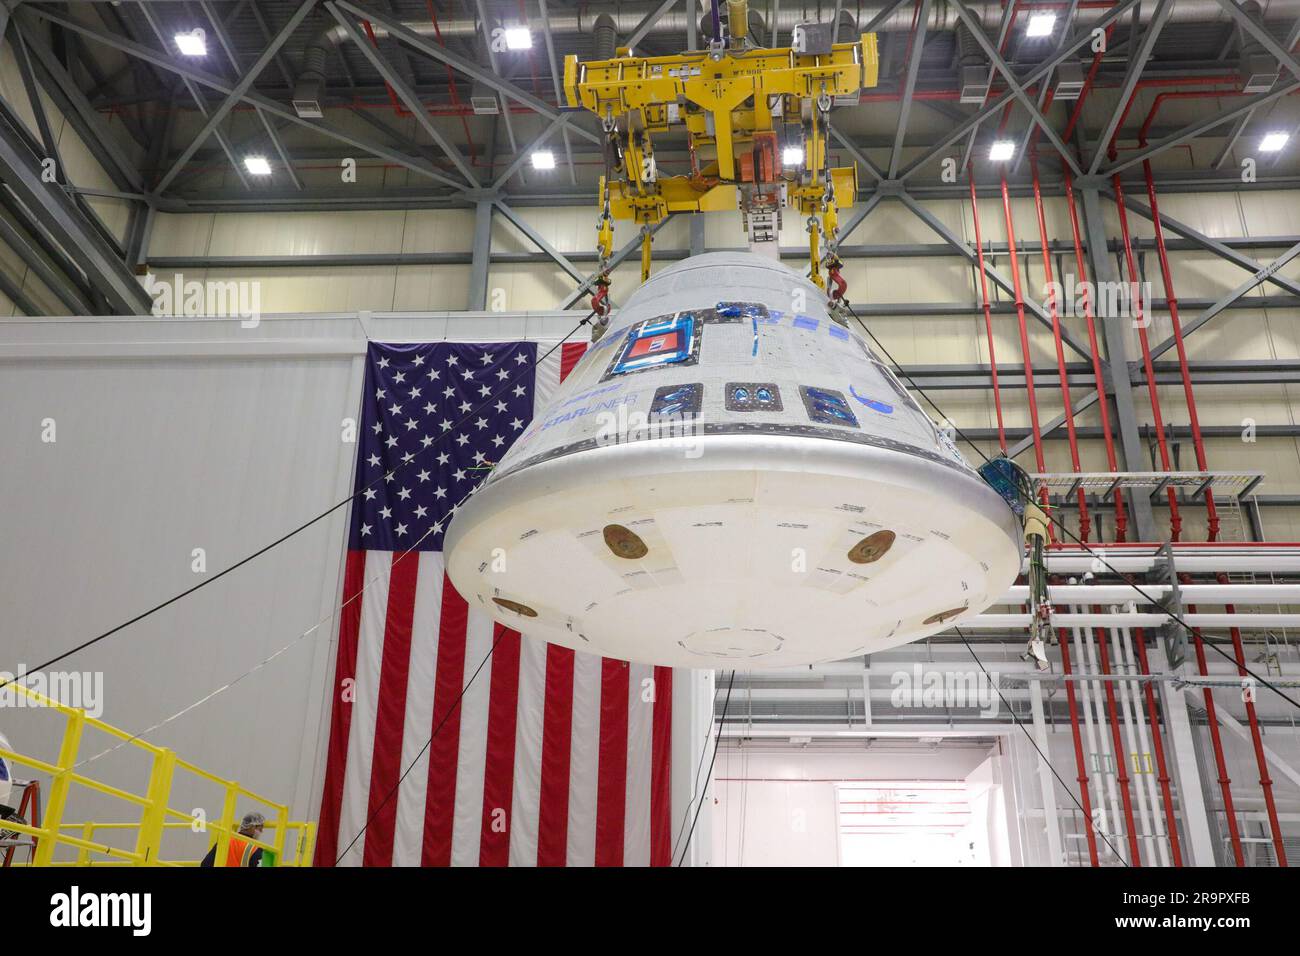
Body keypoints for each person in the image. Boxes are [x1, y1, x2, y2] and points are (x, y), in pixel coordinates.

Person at [200, 812, 266, 867]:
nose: (262, 831)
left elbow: (205, 864)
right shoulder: (254, 848)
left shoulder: (225, 841)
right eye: (260, 828)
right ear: (252, 827)